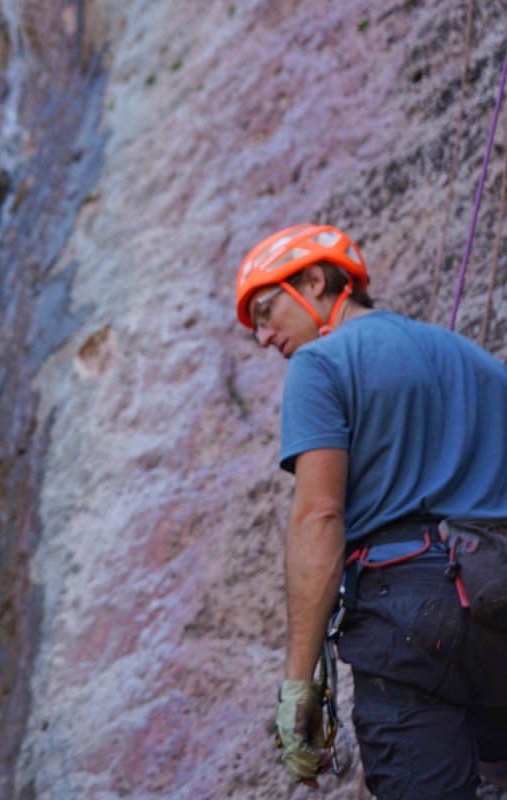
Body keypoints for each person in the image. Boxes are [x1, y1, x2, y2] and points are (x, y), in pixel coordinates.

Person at [236, 223, 507, 798]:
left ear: (315, 280)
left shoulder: (321, 366)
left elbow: (320, 518)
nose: (263, 336)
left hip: (407, 615)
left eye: (265, 310)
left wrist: (298, 686)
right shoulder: (481, 365)